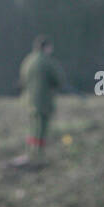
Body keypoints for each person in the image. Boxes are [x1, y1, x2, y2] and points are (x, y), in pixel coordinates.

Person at [14, 34, 68, 165]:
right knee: (41, 128)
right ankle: (38, 156)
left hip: (29, 100)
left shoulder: (28, 61)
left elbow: (22, 81)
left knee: (33, 127)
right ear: (46, 47)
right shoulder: (47, 61)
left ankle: (31, 153)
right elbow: (59, 80)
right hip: (43, 101)